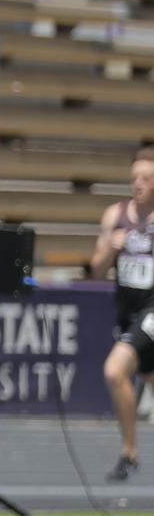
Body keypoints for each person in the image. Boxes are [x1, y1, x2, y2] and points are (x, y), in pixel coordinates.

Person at [90, 146, 154, 482]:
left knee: (115, 371)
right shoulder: (115, 215)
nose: (138, 184)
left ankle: (129, 452)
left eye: (146, 178)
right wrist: (108, 248)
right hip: (127, 311)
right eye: (134, 178)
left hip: (153, 311)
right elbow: (97, 271)